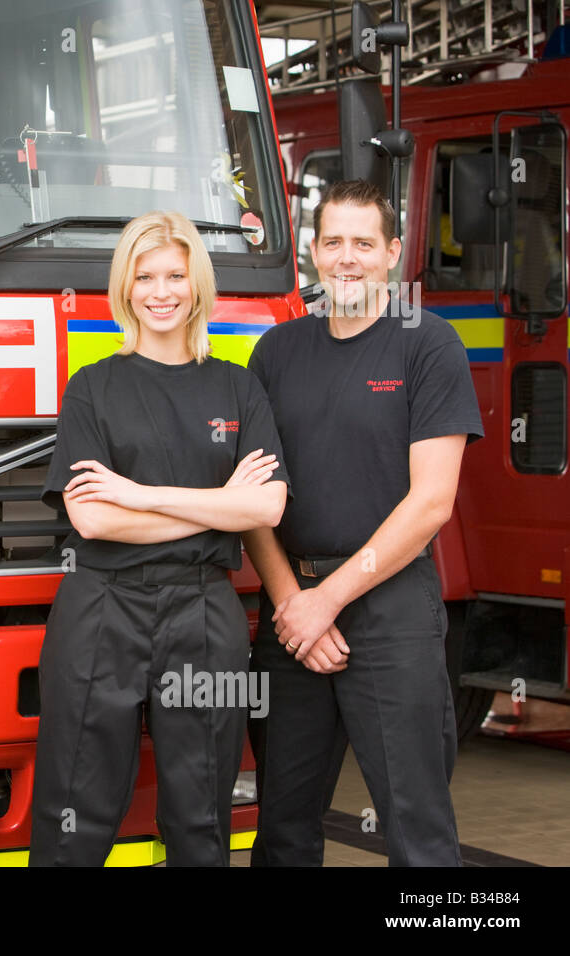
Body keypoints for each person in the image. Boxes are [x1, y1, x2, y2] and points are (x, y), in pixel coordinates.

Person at [28, 210, 291, 867]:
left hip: (204, 612)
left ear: (197, 284)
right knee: (74, 813)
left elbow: (269, 504)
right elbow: (92, 520)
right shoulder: (93, 388)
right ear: (126, 287)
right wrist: (220, 506)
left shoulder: (238, 385)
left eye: (175, 274)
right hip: (100, 611)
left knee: (201, 816)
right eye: (145, 276)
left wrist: (142, 496)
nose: (161, 291)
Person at [243, 179, 484, 866]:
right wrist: (294, 602)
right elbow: (257, 496)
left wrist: (329, 600)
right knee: (284, 828)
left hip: (390, 610)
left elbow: (431, 503)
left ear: (394, 253)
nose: (346, 258)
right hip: (292, 616)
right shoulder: (276, 353)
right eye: (333, 242)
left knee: (417, 829)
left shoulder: (427, 345)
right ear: (312, 252)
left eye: (363, 244)